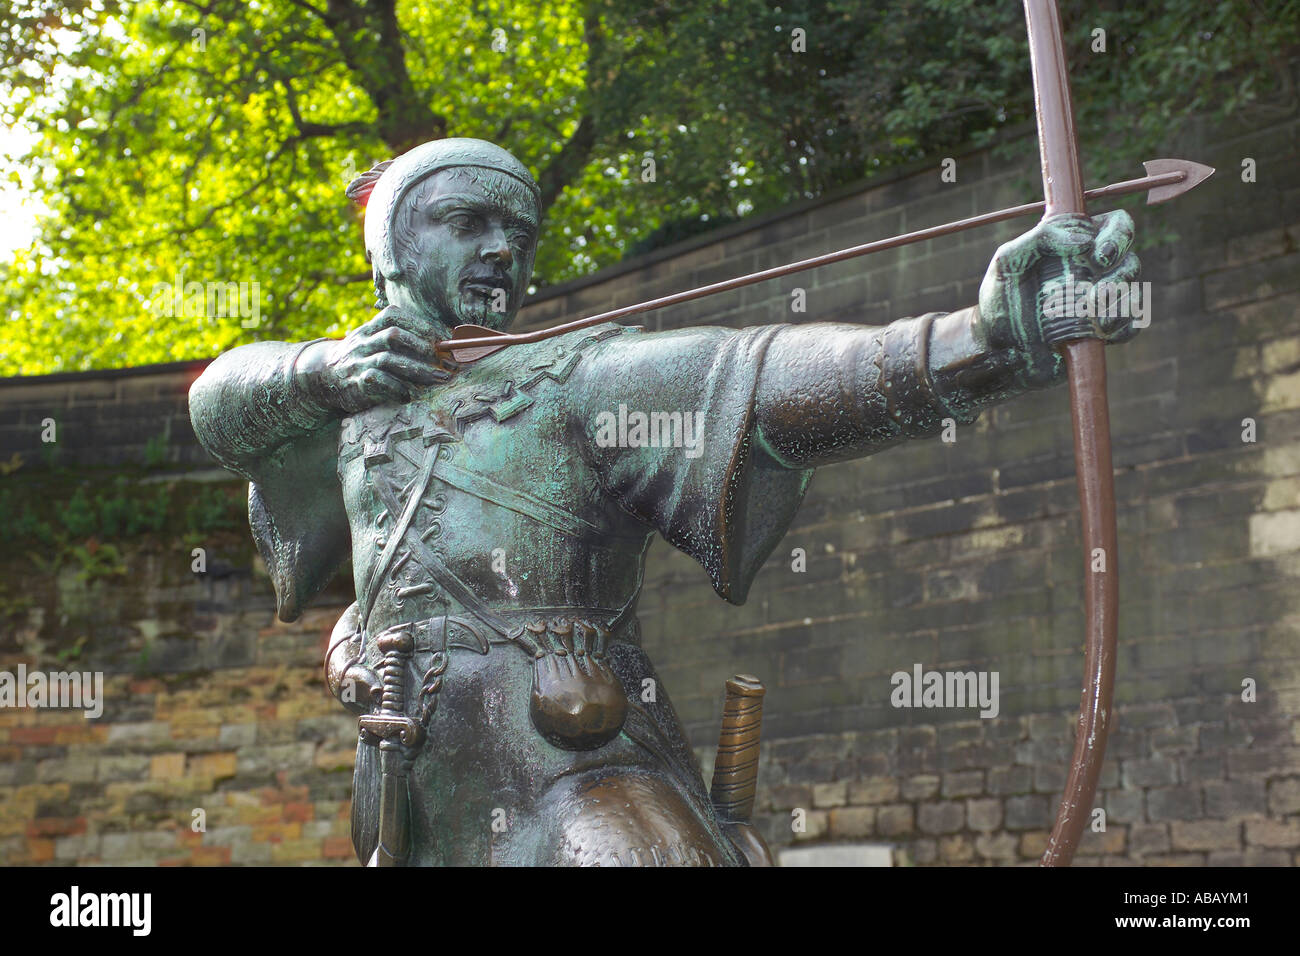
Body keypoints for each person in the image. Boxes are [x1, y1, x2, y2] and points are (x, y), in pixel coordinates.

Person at [189, 138, 1140, 866]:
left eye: (517, 235)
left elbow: (758, 379)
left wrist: (980, 342)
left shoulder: (572, 378)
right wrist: (329, 378)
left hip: (571, 759)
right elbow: (219, 405)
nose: (500, 252)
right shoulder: (342, 404)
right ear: (390, 240)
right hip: (409, 774)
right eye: (466, 222)